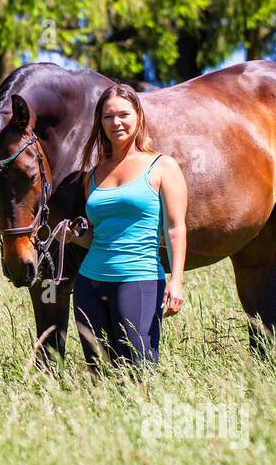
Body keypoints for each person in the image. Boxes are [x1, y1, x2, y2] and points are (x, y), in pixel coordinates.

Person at [65, 84, 187, 372]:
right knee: (98, 371)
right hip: (88, 284)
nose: (116, 122)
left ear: (138, 116)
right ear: (100, 122)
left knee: (138, 370)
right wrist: (75, 236)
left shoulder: (162, 166)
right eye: (108, 116)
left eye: (123, 114)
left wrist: (177, 280)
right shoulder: (94, 173)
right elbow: (99, 234)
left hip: (138, 281)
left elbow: (175, 228)